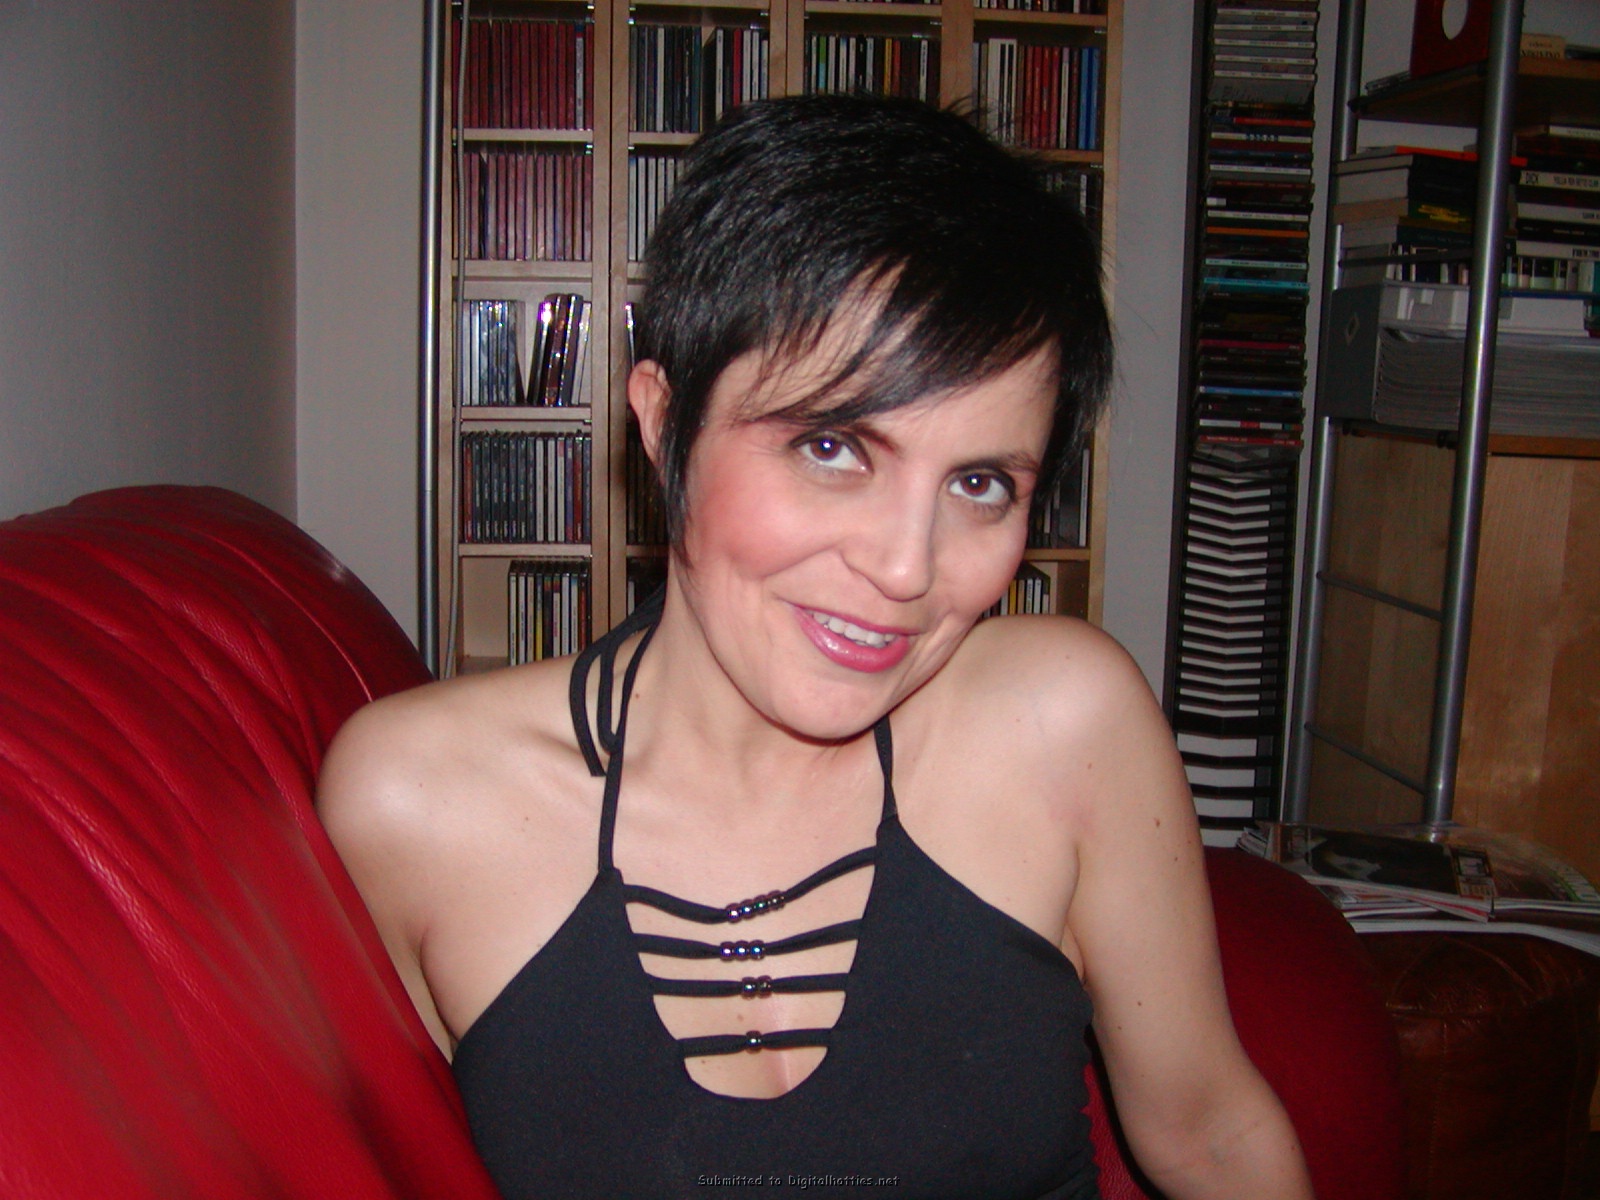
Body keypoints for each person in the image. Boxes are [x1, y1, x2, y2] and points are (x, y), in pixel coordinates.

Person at [317, 93, 1312, 1200]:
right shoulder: (416, 806)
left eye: (981, 483)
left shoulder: (1064, 727)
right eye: (833, 446)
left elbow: (1210, 1134)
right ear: (663, 425)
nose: (906, 567)